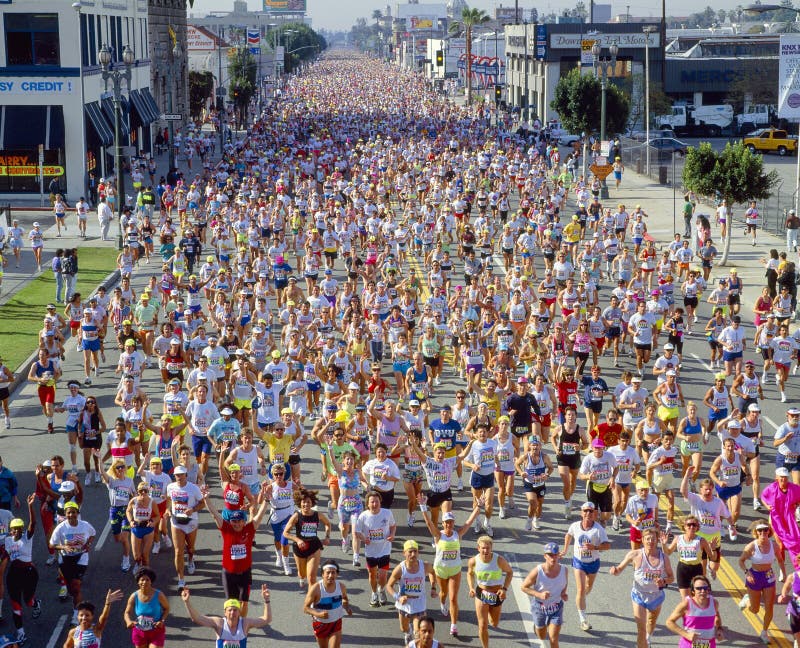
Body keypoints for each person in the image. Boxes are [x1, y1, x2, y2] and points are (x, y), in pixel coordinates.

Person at [202, 482, 269, 616]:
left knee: (244, 602)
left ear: (244, 521)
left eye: (239, 521)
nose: (237, 524)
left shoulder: (249, 529)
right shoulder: (226, 529)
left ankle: (242, 624)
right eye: (234, 521)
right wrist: (206, 499)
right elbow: (215, 514)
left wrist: (266, 500)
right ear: (230, 522)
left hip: (245, 573)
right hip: (229, 574)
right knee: (231, 604)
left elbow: (260, 515)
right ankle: (231, 623)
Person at [419, 496, 480, 636]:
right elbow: (429, 523)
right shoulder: (438, 535)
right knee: (444, 593)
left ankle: (453, 625)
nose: (449, 524)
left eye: (451, 522)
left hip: (455, 570)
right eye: (446, 522)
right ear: (443, 524)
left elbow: (469, 521)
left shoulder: (458, 534)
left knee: (453, 598)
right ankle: (442, 603)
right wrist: (423, 507)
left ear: (453, 523)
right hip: (441, 570)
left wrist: (479, 506)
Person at [609, 527, 674, 648]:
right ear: (643, 540)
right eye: (648, 539)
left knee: (651, 621)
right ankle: (644, 641)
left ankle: (648, 639)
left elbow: (671, 577)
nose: (650, 541)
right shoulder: (635, 554)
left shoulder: (664, 558)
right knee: (641, 630)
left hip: (656, 596)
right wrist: (615, 570)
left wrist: (664, 581)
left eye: (653, 539)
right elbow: (619, 569)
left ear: (657, 540)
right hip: (639, 595)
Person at [562, 501, 611, 631]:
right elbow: (568, 535)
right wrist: (565, 550)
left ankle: (581, 600)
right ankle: (583, 620)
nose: (588, 513)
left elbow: (607, 546)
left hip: (593, 563)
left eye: (590, 511)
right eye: (585, 511)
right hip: (579, 562)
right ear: (581, 513)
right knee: (581, 589)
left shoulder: (598, 529)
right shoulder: (575, 526)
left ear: (595, 513)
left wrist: (594, 547)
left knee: (588, 587)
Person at [49, 501, 96, 626]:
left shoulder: (85, 525)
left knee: (76, 586)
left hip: (81, 558)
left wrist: (88, 544)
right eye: (69, 513)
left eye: (73, 512)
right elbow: (52, 544)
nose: (71, 515)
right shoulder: (61, 528)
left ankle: (76, 615)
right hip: (65, 559)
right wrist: (63, 547)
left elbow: (93, 534)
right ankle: (75, 603)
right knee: (71, 590)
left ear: (77, 513)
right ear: (65, 514)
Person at [386, 539, 437, 646]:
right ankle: (407, 632)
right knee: (403, 628)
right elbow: (389, 586)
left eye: (415, 551)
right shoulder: (400, 569)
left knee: (418, 633)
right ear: (404, 553)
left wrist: (433, 588)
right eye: (410, 551)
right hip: (404, 604)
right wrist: (398, 597)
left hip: (419, 603)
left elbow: (433, 572)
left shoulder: (424, 566)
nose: (413, 554)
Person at [4, 495, 41, 645]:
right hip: (13, 575)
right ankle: (21, 633)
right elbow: (5, 555)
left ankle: (35, 603)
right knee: (16, 606)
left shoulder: (27, 537)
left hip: (29, 573)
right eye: (13, 530)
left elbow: (33, 523)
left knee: (28, 601)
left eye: (18, 529)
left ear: (22, 529)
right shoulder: (7, 541)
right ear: (11, 530)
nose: (16, 532)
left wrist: (30, 506)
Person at [466, 535, 513, 648]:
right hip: (481, 593)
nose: (486, 550)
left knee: (494, 623)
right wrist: (471, 587)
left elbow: (510, 572)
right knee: (482, 625)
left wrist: (504, 589)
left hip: (496, 594)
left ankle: (489, 613)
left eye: (488, 548)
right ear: (478, 548)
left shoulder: (499, 560)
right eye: (483, 548)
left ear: (491, 548)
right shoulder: (473, 561)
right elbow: (470, 574)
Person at [181, 584, 271, 643]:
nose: (232, 612)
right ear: (225, 612)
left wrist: (267, 600)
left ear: (239, 612)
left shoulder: (245, 623)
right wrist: (187, 602)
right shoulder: (219, 623)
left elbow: (267, 619)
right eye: (230, 610)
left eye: (235, 610)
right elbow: (196, 618)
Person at [282, 487, 332, 589]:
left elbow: (327, 524)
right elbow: (285, 533)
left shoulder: (317, 515)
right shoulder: (296, 516)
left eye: (308, 502)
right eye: (303, 502)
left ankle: (312, 596)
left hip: (314, 546)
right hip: (300, 548)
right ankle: (302, 578)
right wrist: (298, 540)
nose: (306, 504)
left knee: (312, 578)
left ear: (312, 503)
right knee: (302, 574)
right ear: (299, 503)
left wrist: (327, 536)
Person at [521, 542, 569, 648]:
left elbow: (564, 583)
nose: (553, 558)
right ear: (545, 556)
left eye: (555, 554)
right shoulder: (537, 571)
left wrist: (563, 593)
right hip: (540, 608)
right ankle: (537, 627)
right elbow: (524, 587)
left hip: (556, 607)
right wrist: (539, 594)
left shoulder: (564, 570)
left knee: (553, 639)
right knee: (542, 636)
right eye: (550, 555)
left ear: (559, 555)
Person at [165, 464, 204, 591]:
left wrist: (192, 509)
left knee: (190, 548)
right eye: (177, 475)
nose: (179, 477)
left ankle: (191, 559)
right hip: (176, 521)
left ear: (186, 475)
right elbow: (169, 500)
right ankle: (181, 580)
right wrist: (168, 510)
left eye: (181, 475)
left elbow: (202, 503)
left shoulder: (193, 488)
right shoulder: (170, 487)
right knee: (178, 551)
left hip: (191, 521)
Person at [354, 490, 396, 608]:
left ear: (380, 502)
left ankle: (381, 590)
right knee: (372, 575)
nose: (374, 504)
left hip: (384, 549)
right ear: (368, 504)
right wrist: (364, 539)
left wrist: (392, 535)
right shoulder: (363, 516)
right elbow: (357, 532)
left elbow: (393, 526)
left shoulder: (387, 513)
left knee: (382, 576)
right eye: (372, 502)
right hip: (371, 551)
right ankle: (374, 593)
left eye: (376, 501)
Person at [737, 520, 777, 644]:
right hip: (754, 576)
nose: (763, 532)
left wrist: (784, 573)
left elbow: (781, 560)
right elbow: (741, 561)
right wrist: (746, 572)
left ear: (769, 531)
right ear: (756, 532)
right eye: (760, 530)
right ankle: (747, 599)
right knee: (755, 610)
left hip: (769, 576)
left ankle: (764, 632)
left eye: (765, 529)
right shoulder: (751, 546)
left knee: (769, 606)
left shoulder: (774, 545)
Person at [662, 514, 717, 599]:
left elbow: (712, 557)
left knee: (698, 598)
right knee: (686, 600)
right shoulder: (678, 539)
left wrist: (713, 549)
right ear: (684, 526)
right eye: (689, 525)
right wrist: (663, 544)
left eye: (694, 525)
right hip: (683, 569)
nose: (691, 527)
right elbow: (667, 552)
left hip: (697, 569)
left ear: (697, 527)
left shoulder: (701, 540)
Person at [303, 559, 353, 648]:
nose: (330, 575)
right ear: (323, 574)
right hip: (320, 624)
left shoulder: (341, 587)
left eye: (333, 572)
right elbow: (305, 608)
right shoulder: (316, 589)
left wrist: (347, 607)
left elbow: (344, 599)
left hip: (336, 623)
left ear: (337, 574)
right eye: (328, 572)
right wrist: (318, 614)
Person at [665, 575, 724, 648]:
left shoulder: (714, 603)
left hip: (709, 644)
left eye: (705, 588)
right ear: (693, 591)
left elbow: (716, 616)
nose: (703, 591)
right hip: (689, 644)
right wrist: (686, 635)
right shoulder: (686, 604)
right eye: (699, 588)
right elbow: (669, 622)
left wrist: (719, 629)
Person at [123, 567, 170, 648]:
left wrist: (162, 620)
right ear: (138, 582)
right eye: (142, 580)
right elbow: (127, 612)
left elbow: (167, 608)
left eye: (147, 580)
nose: (144, 582)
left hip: (156, 631)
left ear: (151, 581)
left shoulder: (159, 595)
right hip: (139, 632)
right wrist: (128, 621)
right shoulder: (134, 596)